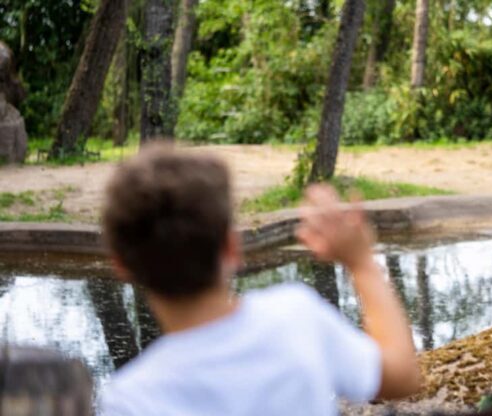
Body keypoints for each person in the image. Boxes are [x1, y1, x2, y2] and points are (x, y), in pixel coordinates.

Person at [99, 144, 421, 415]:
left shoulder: (130, 399)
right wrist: (361, 263)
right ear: (232, 247)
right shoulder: (295, 316)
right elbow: (402, 377)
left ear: (121, 266)